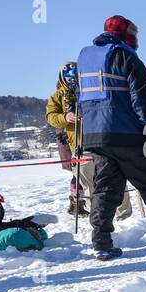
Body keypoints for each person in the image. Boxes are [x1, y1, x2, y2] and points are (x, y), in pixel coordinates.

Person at [76, 15, 146, 260]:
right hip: (127, 134)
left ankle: (102, 244)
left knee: (105, 190)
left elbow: (79, 97)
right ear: (126, 34)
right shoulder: (126, 57)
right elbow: (141, 98)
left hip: (96, 136)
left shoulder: (85, 59)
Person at [45, 61, 87, 216]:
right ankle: (77, 204)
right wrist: (65, 117)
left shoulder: (85, 92)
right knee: (77, 172)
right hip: (68, 139)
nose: (72, 81)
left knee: (92, 172)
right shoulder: (56, 96)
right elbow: (50, 117)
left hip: (88, 136)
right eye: (69, 78)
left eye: (75, 78)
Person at [0, 164, 48, 252]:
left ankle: (32, 243)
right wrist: (16, 224)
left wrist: (24, 223)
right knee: (16, 234)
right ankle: (38, 246)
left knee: (41, 232)